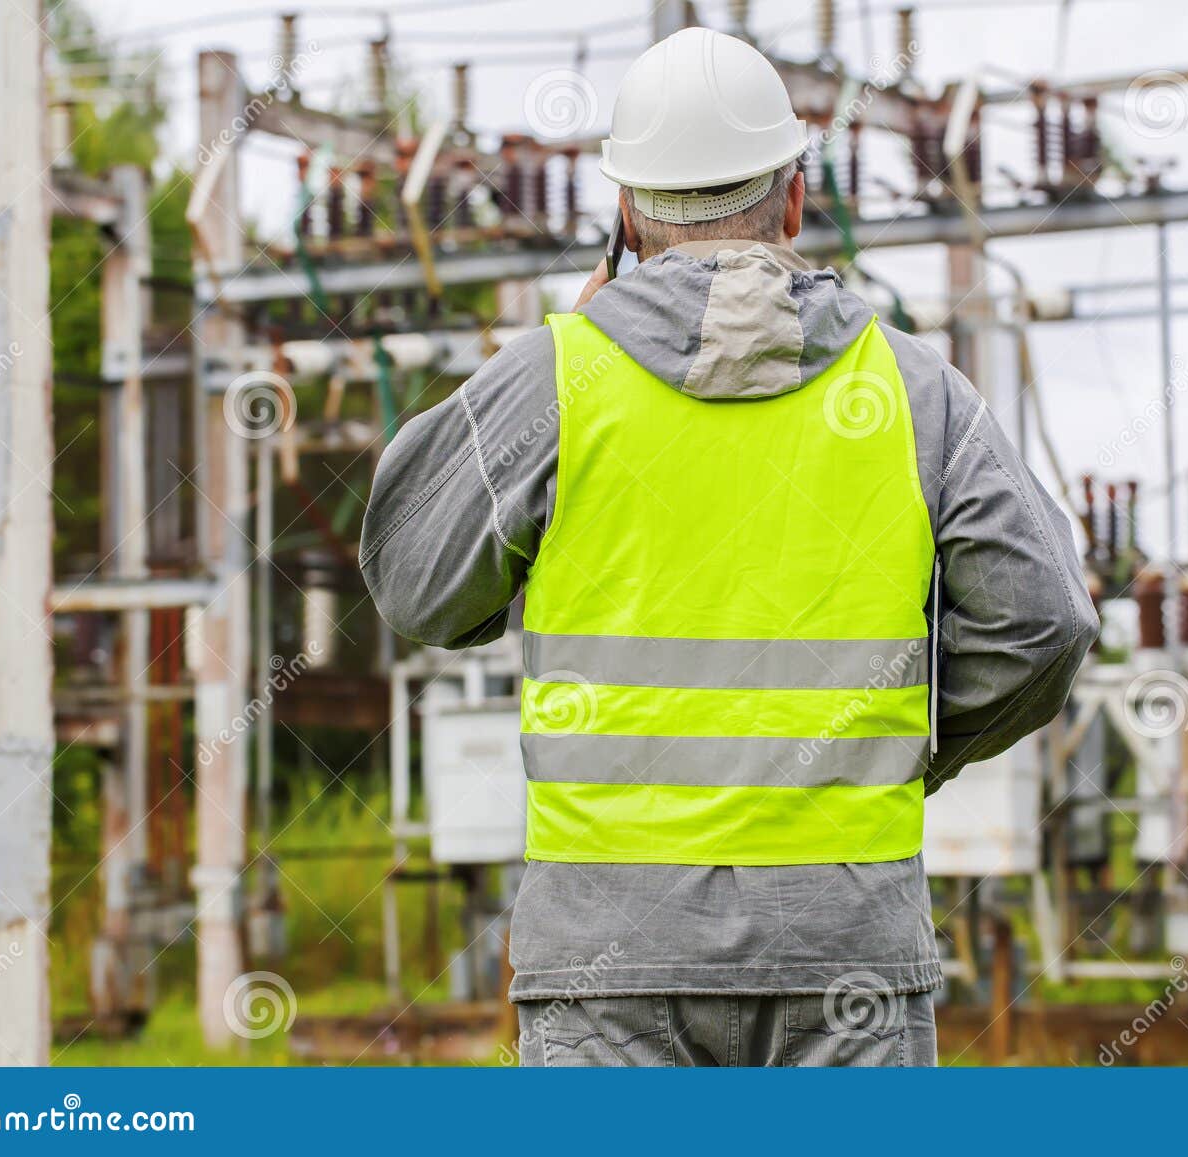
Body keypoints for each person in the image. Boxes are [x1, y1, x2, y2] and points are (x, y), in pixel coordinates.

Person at [360, 26, 1096, 1067]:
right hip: (845, 943)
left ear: (623, 212)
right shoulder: (915, 389)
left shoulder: (553, 382)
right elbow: (1048, 619)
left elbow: (415, 585)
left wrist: (546, 367)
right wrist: (903, 753)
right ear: (793, 200)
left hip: (609, 961)